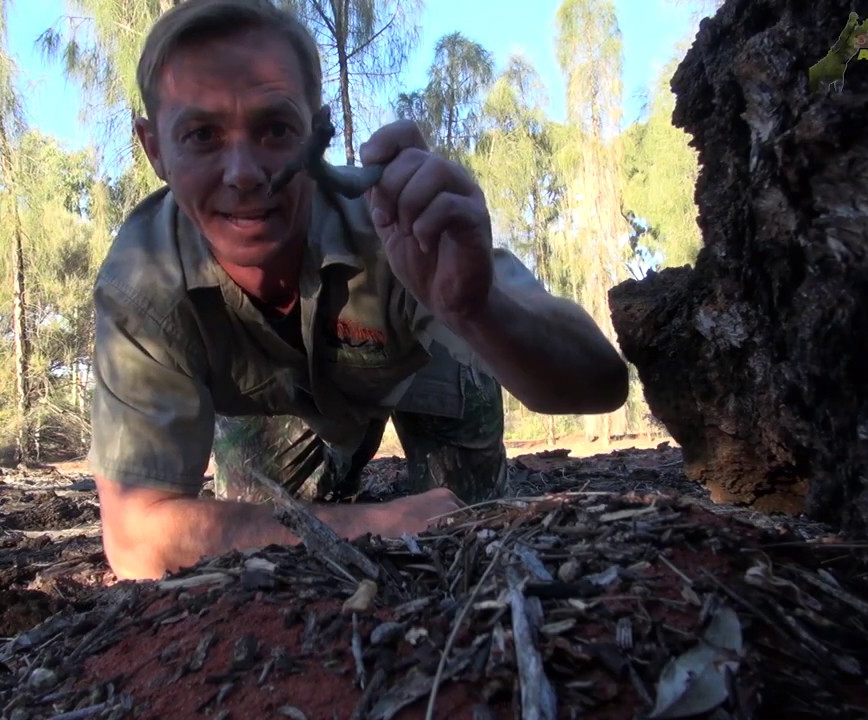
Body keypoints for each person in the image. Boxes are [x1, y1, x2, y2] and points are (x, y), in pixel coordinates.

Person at [89, 0, 629, 580]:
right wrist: (381, 522)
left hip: (421, 369)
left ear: (319, 134)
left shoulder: (396, 225)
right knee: (263, 565)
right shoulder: (143, 285)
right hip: (283, 406)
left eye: (275, 129)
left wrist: (477, 309)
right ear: (154, 150)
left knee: (468, 538)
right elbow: (137, 538)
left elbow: (600, 385)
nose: (244, 173)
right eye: (201, 135)